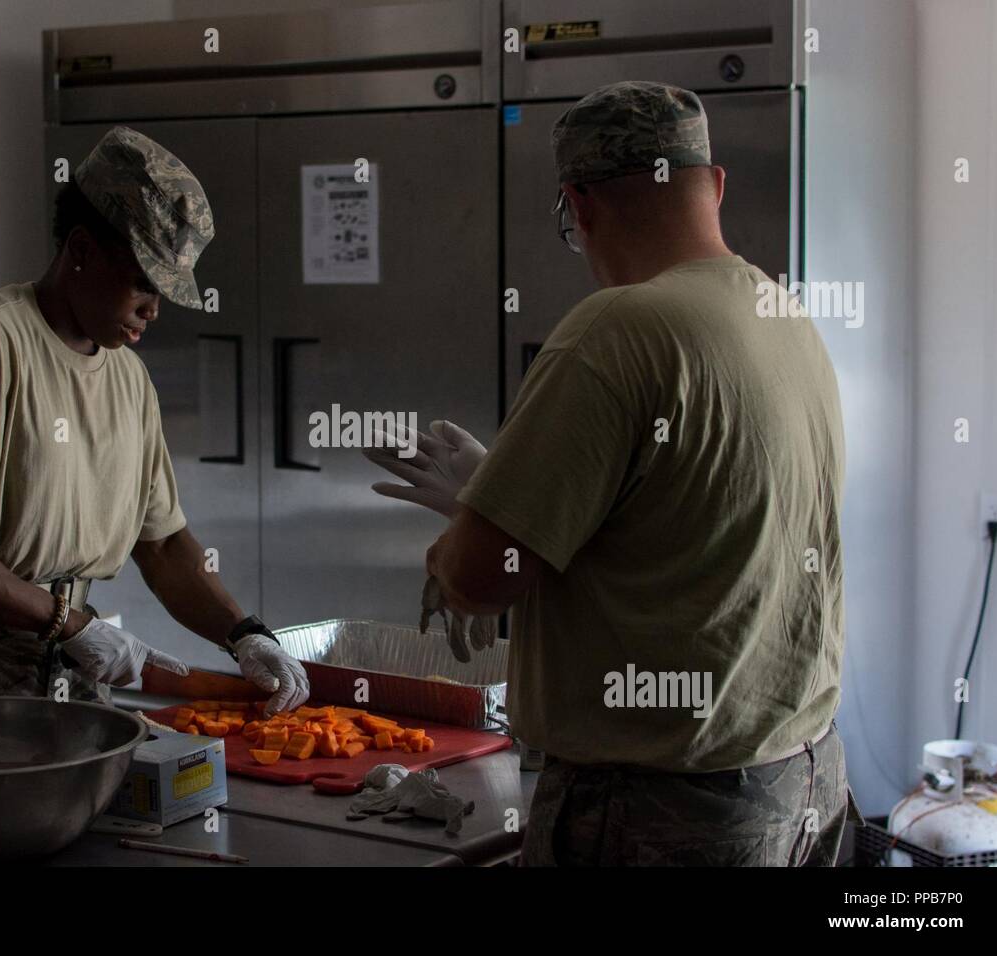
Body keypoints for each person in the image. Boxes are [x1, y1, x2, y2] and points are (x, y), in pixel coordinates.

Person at [366, 81, 860, 865]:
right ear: (716, 184)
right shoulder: (783, 315)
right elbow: (686, 524)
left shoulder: (618, 327)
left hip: (662, 812)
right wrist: (512, 494)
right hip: (799, 788)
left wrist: (470, 520)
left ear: (579, 205)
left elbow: (482, 577)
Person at [0, 126, 309, 714]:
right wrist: (67, 622)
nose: (154, 310)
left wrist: (245, 634)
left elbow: (163, 545)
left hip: (72, 653)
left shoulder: (128, 379)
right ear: (80, 250)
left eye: (164, 292)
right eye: (141, 284)